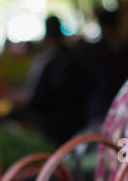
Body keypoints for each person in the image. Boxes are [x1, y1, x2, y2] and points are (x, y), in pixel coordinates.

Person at [24, 16, 87, 144]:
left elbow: (38, 98)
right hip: (75, 122)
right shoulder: (76, 58)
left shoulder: (47, 61)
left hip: (52, 126)